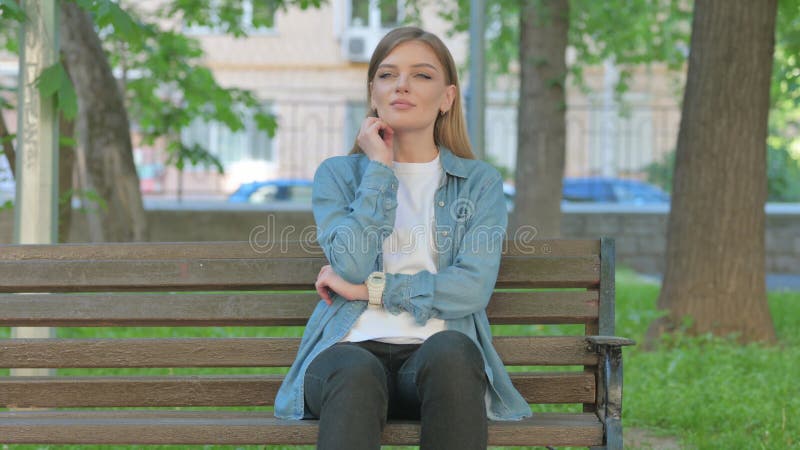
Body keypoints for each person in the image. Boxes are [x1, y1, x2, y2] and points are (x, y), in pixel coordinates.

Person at [274, 26, 531, 450]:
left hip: (433, 361)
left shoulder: (478, 184)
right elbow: (350, 261)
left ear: (447, 97)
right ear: (373, 93)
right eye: (388, 75)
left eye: (422, 75)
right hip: (346, 356)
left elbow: (472, 289)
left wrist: (370, 291)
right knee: (356, 370)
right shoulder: (338, 175)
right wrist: (379, 168)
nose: (402, 86)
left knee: (453, 352)